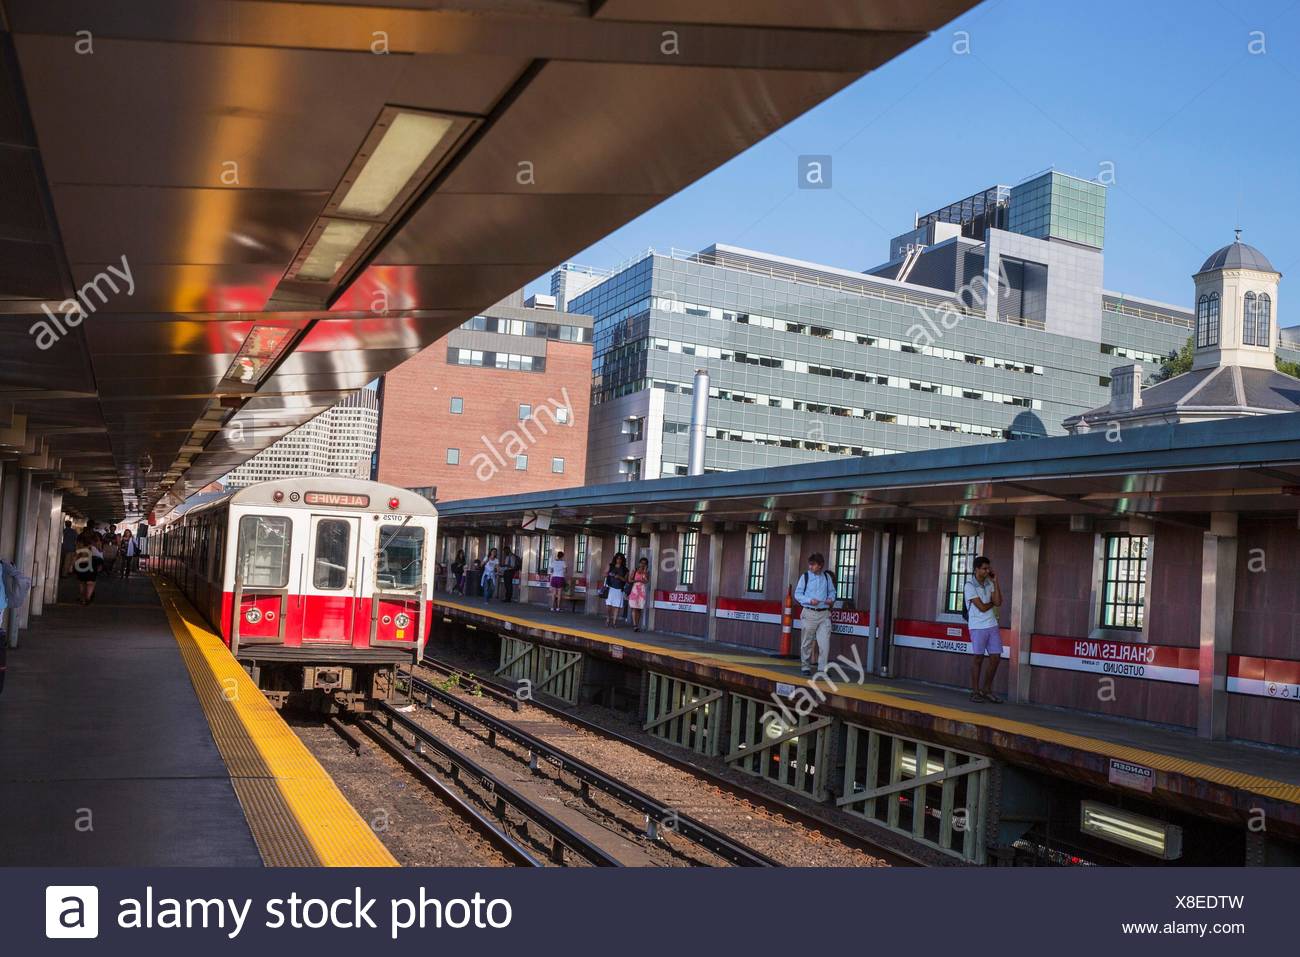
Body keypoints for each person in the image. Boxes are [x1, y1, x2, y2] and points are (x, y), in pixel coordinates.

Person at [964, 556, 1004, 703]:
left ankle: (987, 689)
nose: (987, 571)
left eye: (988, 568)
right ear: (976, 569)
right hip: (977, 627)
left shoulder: (989, 583)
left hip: (992, 625)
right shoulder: (969, 586)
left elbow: (998, 601)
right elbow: (981, 607)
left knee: (996, 657)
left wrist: (995, 582)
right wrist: (992, 603)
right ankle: (975, 691)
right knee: (978, 658)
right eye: (984, 569)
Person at [793, 552, 837, 677]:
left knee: (825, 643)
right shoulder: (805, 577)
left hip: (824, 614)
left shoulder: (827, 578)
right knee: (806, 641)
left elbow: (833, 593)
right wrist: (809, 600)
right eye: (810, 564)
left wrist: (830, 599)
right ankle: (805, 666)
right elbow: (798, 594)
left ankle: (822, 668)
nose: (810, 567)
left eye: (813, 565)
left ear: (820, 565)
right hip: (809, 612)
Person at [74, 531, 103, 605]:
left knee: (82, 582)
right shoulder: (96, 542)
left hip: (80, 565)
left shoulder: (80, 542)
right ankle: (88, 598)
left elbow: (76, 555)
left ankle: (83, 598)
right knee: (90, 583)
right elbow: (100, 554)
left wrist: (72, 565)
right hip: (92, 565)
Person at [603, 553, 628, 626]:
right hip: (610, 587)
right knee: (608, 605)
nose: (619, 560)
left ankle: (614, 622)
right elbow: (604, 574)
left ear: (622, 560)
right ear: (615, 559)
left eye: (620, 559)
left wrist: (619, 577)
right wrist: (609, 574)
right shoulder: (611, 566)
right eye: (618, 558)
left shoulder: (625, 569)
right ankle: (608, 618)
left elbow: (626, 580)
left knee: (617, 606)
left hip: (619, 589)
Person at [627, 556, 650, 632]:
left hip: (642, 590)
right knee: (634, 607)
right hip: (635, 589)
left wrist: (645, 571)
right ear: (639, 563)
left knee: (639, 608)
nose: (643, 564)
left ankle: (637, 624)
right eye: (641, 563)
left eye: (644, 563)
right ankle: (635, 625)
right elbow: (630, 580)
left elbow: (646, 581)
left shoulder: (646, 572)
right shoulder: (635, 570)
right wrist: (636, 581)